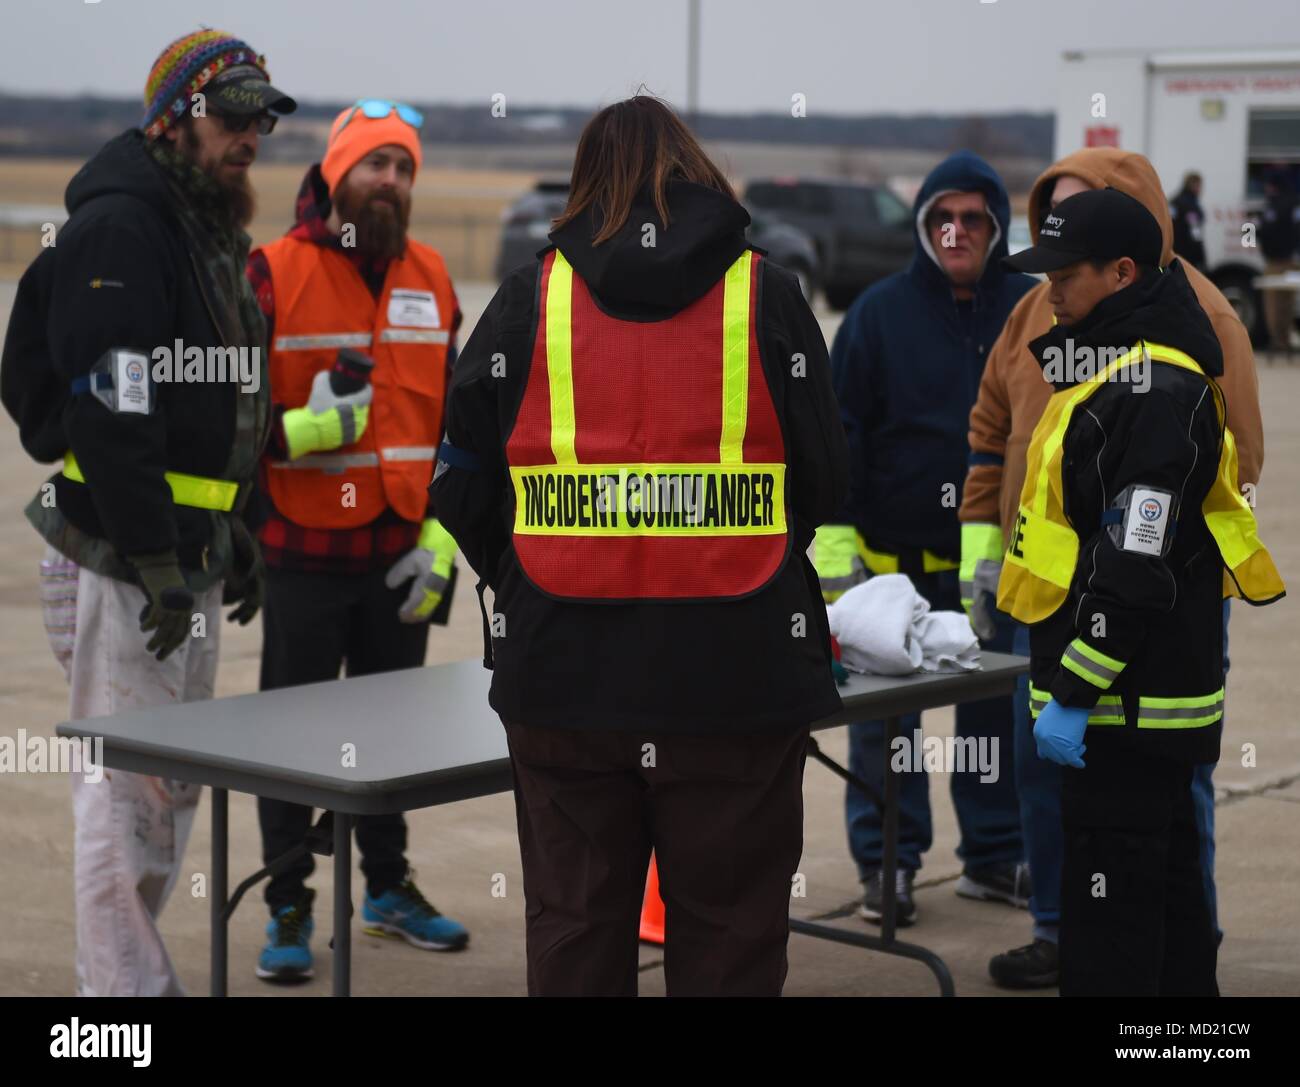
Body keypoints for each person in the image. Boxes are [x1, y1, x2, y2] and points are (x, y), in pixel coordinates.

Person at [431, 95, 847, 997]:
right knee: (731, 938)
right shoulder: (768, 295)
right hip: (738, 683)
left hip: (563, 682)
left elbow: (457, 478)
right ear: (700, 173)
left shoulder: (523, 300)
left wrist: (527, 572)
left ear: (586, 184)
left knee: (577, 933)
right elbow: (823, 478)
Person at [0, 29, 295, 995]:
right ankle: (123, 1010)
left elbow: (213, 406)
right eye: (230, 114)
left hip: (175, 556)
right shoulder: (129, 229)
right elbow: (112, 404)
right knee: (125, 796)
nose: (249, 134)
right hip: (123, 561)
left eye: (261, 117)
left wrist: (231, 524)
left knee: (165, 788)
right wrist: (158, 556)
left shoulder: (199, 227)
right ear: (174, 119)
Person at [960, 148, 1265, 989]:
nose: (1050, 289)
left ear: (1123, 271)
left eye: (1067, 273)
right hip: (1136, 706)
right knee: (1164, 916)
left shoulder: (1156, 391)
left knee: (1114, 932)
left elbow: (1134, 562)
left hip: (1127, 712)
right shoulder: (1127, 365)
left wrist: (1076, 694)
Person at [245, 100, 468, 982]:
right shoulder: (272, 271)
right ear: (337, 174)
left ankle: (384, 887)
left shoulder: (434, 276)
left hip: (400, 552)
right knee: (294, 738)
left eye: (404, 168)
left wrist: (442, 545)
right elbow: (227, 419)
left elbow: (457, 429)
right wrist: (303, 431)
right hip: (302, 550)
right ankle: (288, 900)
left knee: (391, 738)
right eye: (375, 164)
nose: (391, 182)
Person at [814, 152, 1035, 925]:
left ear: (997, 227)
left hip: (997, 572)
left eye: (975, 218)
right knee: (887, 735)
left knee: (999, 728)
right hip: (890, 576)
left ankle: (997, 857)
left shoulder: (1032, 311)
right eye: (944, 216)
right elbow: (835, 439)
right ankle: (888, 866)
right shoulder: (877, 315)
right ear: (922, 225)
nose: (958, 230)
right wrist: (836, 564)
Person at [1259, 169, 1299, 352]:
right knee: (1288, 302)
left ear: (1272, 186)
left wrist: (1251, 236)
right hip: (1292, 261)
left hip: (1274, 262)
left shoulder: (1271, 206)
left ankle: (1276, 341)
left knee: (1272, 302)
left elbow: (1262, 231)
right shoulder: (1294, 203)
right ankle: (1286, 338)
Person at [1169, 171, 1206, 272]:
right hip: (1188, 255)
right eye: (1199, 186)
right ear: (1192, 185)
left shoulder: (1174, 201)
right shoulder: (1190, 206)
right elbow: (1195, 231)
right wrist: (1202, 257)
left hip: (1173, 253)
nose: (1200, 189)